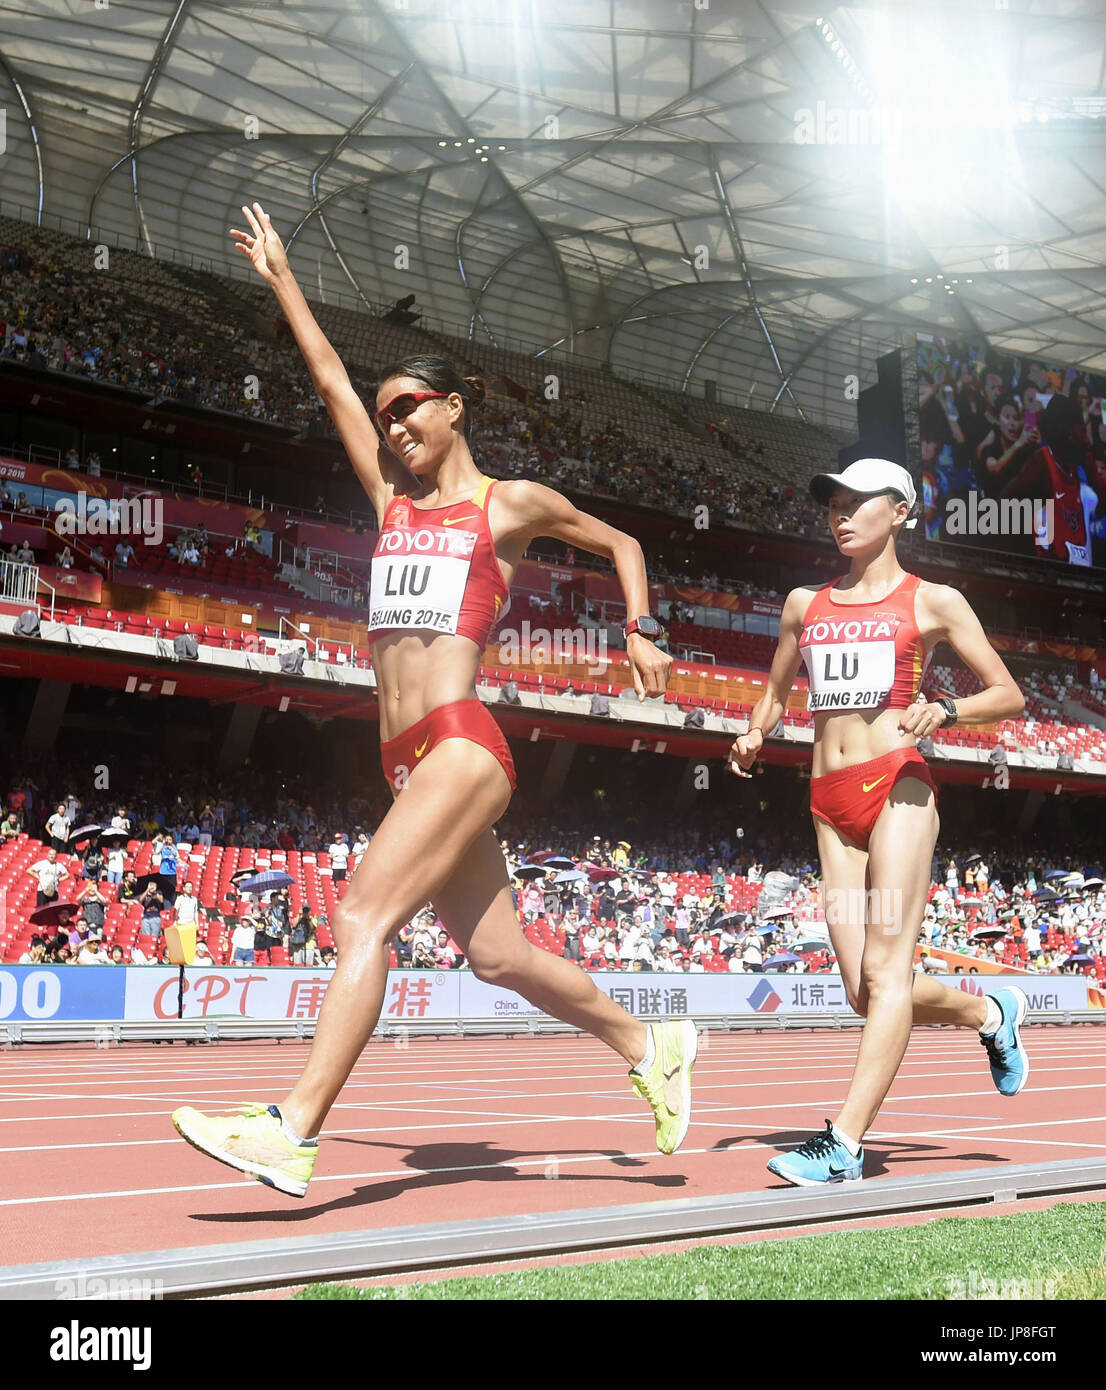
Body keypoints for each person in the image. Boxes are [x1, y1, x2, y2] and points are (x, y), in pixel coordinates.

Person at [172, 200, 697, 1198]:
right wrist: (282, 277)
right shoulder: (391, 503)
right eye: (385, 416)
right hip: (407, 758)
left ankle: (294, 1129)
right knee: (498, 955)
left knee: (361, 916)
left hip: (461, 743)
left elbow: (622, 542)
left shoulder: (508, 504)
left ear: (454, 407)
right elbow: (327, 375)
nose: (395, 422)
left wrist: (641, 627)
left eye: (410, 403)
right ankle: (648, 1038)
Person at [728, 458, 1029, 1186]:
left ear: (900, 511)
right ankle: (989, 1013)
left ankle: (845, 1144)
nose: (841, 513)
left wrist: (948, 709)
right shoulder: (805, 603)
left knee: (887, 971)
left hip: (899, 786)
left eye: (859, 501)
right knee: (864, 991)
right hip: (828, 805)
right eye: (833, 502)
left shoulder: (935, 601)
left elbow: (1008, 694)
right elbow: (775, 692)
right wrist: (754, 732)